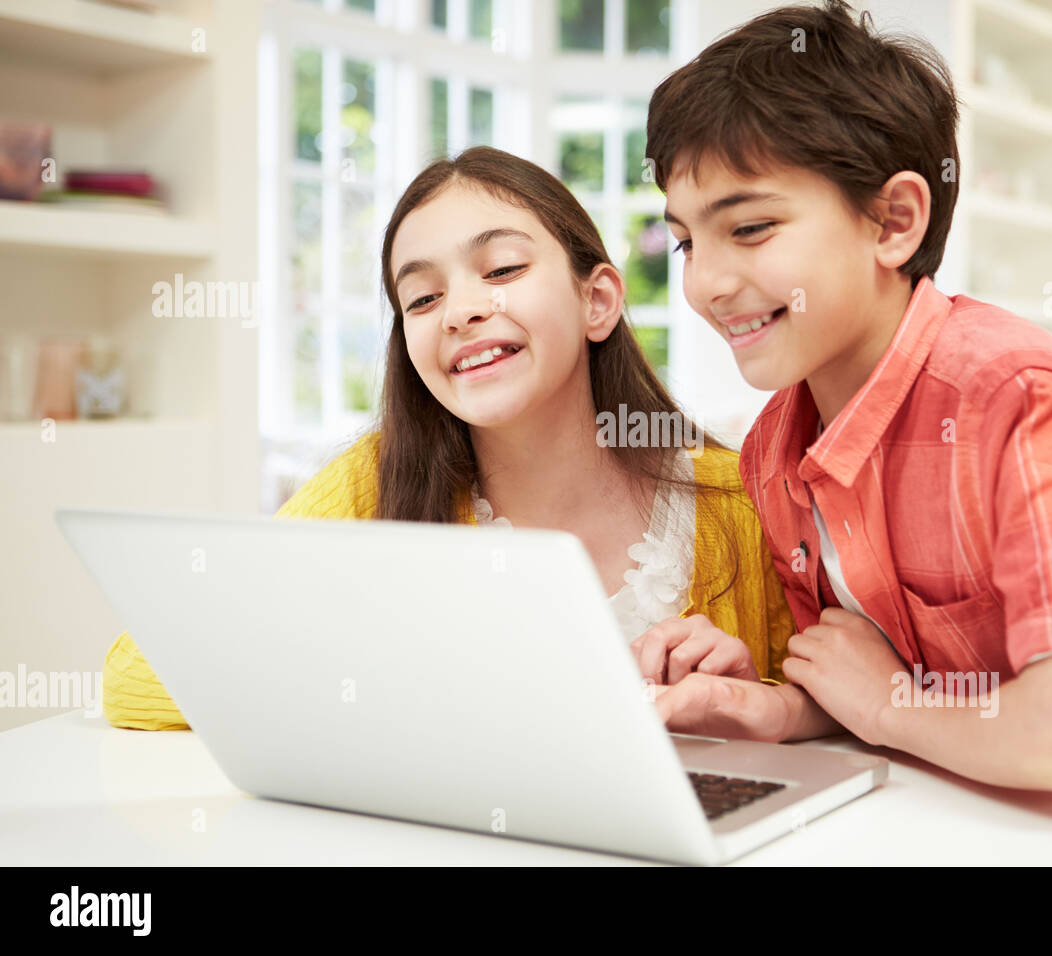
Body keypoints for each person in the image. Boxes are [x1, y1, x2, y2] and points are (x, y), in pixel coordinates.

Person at [644, 0, 1052, 866]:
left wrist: (887, 708)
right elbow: (876, 679)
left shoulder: (1016, 395)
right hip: (958, 817)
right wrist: (778, 706)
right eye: (688, 242)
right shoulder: (775, 448)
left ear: (893, 222)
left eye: (751, 227)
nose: (708, 284)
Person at [102, 146, 796, 732]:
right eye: (423, 299)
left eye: (501, 271)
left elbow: (837, 702)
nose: (461, 311)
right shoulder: (372, 485)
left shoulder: (742, 497)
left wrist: (749, 700)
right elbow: (133, 674)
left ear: (598, 300)